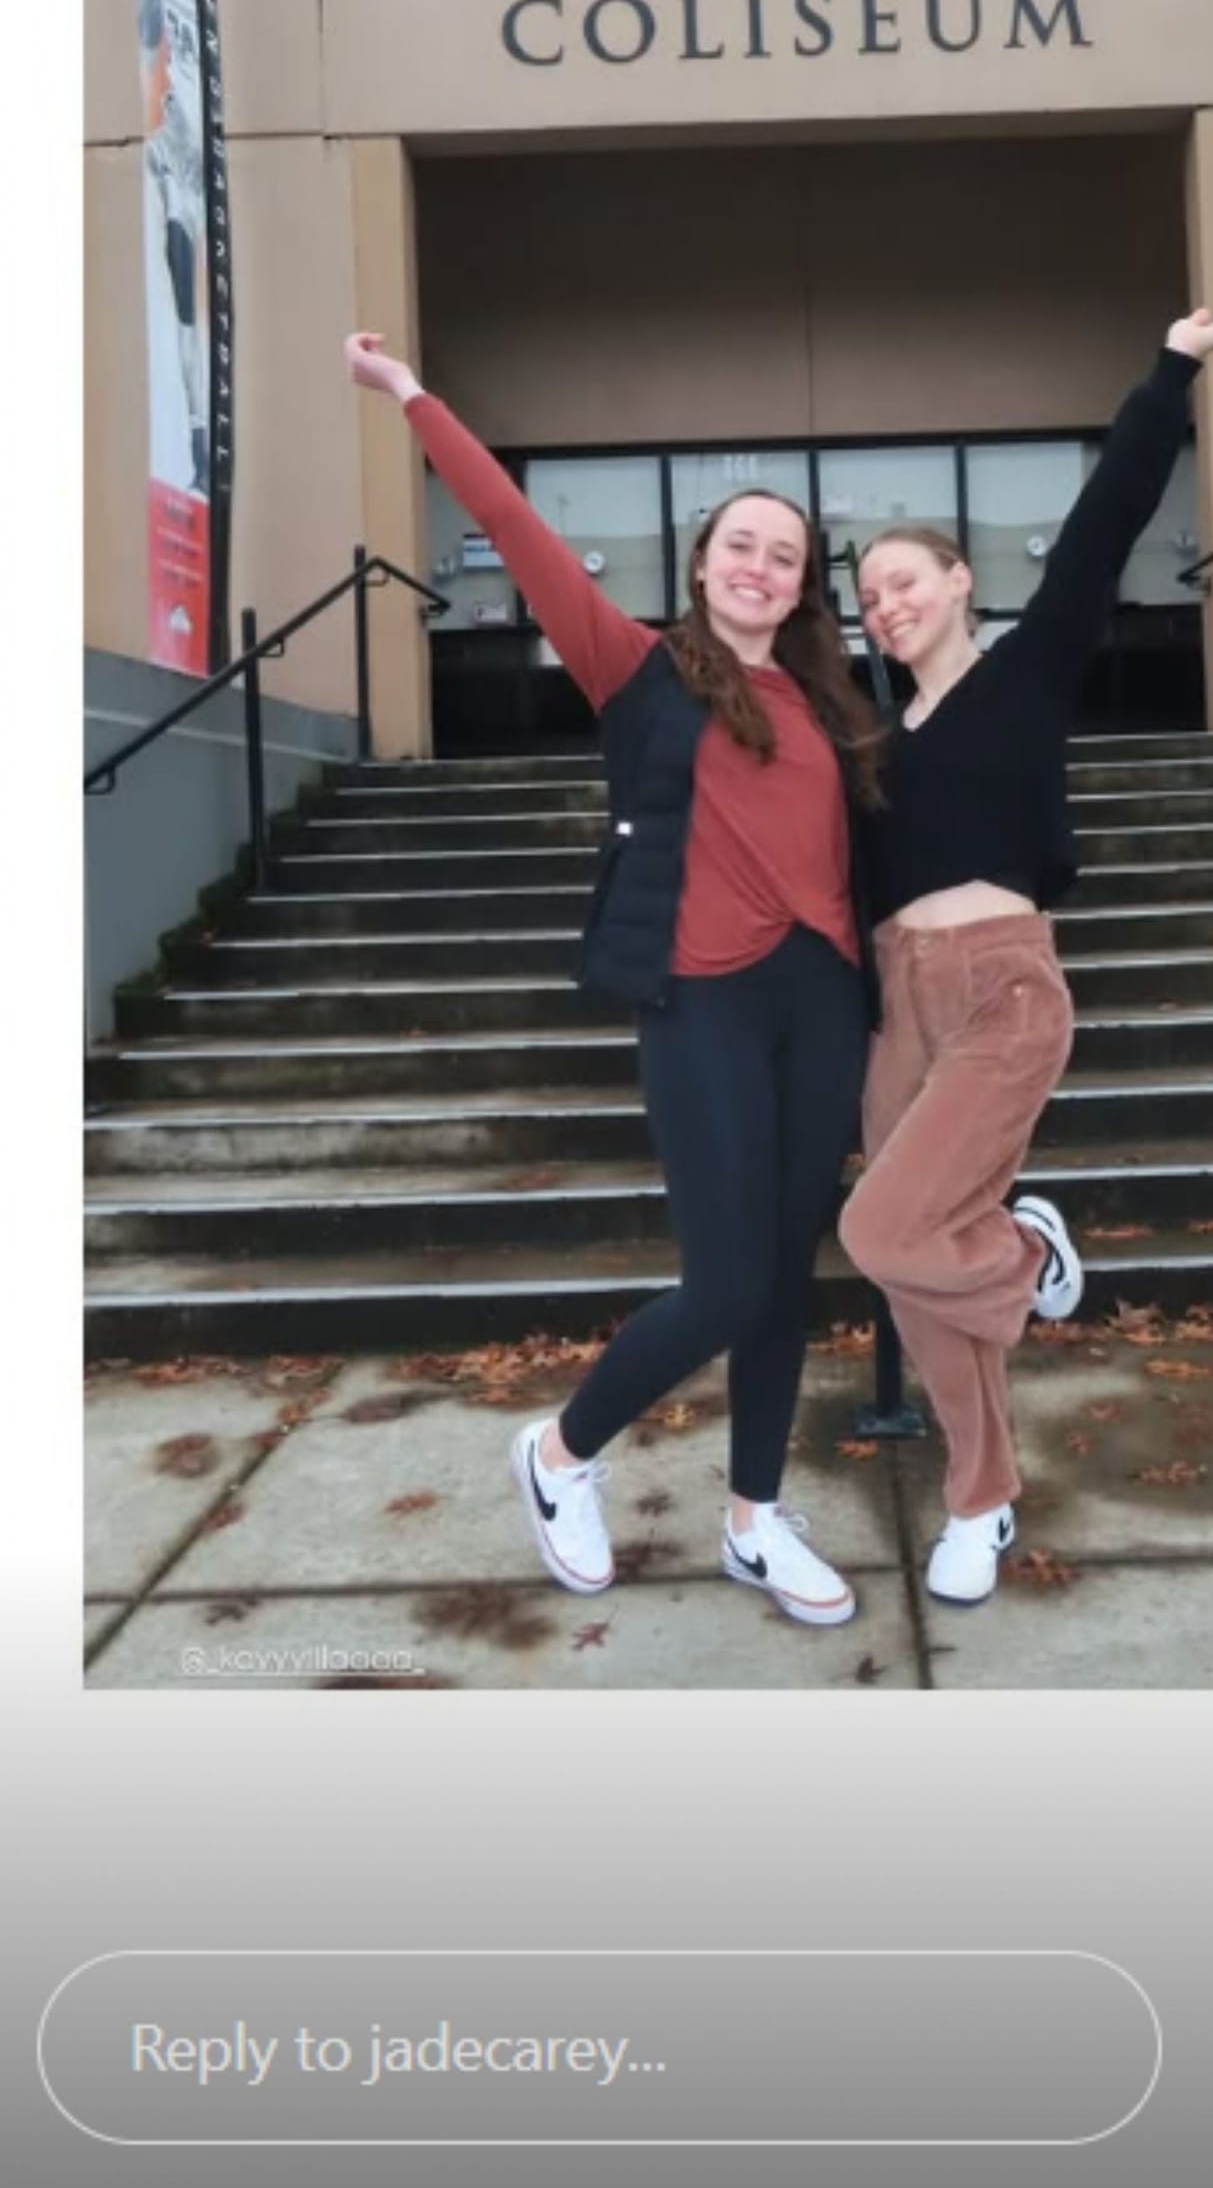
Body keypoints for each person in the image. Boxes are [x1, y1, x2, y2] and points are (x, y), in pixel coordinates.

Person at [343, 331, 884, 1626]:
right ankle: (560, 1451)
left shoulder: (830, 703)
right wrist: (413, 396)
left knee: (787, 1274)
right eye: (741, 544)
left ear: (803, 586)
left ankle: (754, 1519)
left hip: (821, 1003)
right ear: (701, 563)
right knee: (728, 1281)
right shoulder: (640, 670)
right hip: (701, 998)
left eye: (785, 555)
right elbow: (514, 528)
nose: (760, 566)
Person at [839, 290, 1213, 1605]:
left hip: (1002, 989)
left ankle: (1024, 1255)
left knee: (882, 1226)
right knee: (914, 1277)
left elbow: (1105, 522)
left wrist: (1170, 371)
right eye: (867, 596)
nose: (885, 605)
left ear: (959, 580)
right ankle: (981, 1502)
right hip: (897, 1003)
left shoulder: (1023, 675)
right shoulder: (873, 743)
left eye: (904, 580)